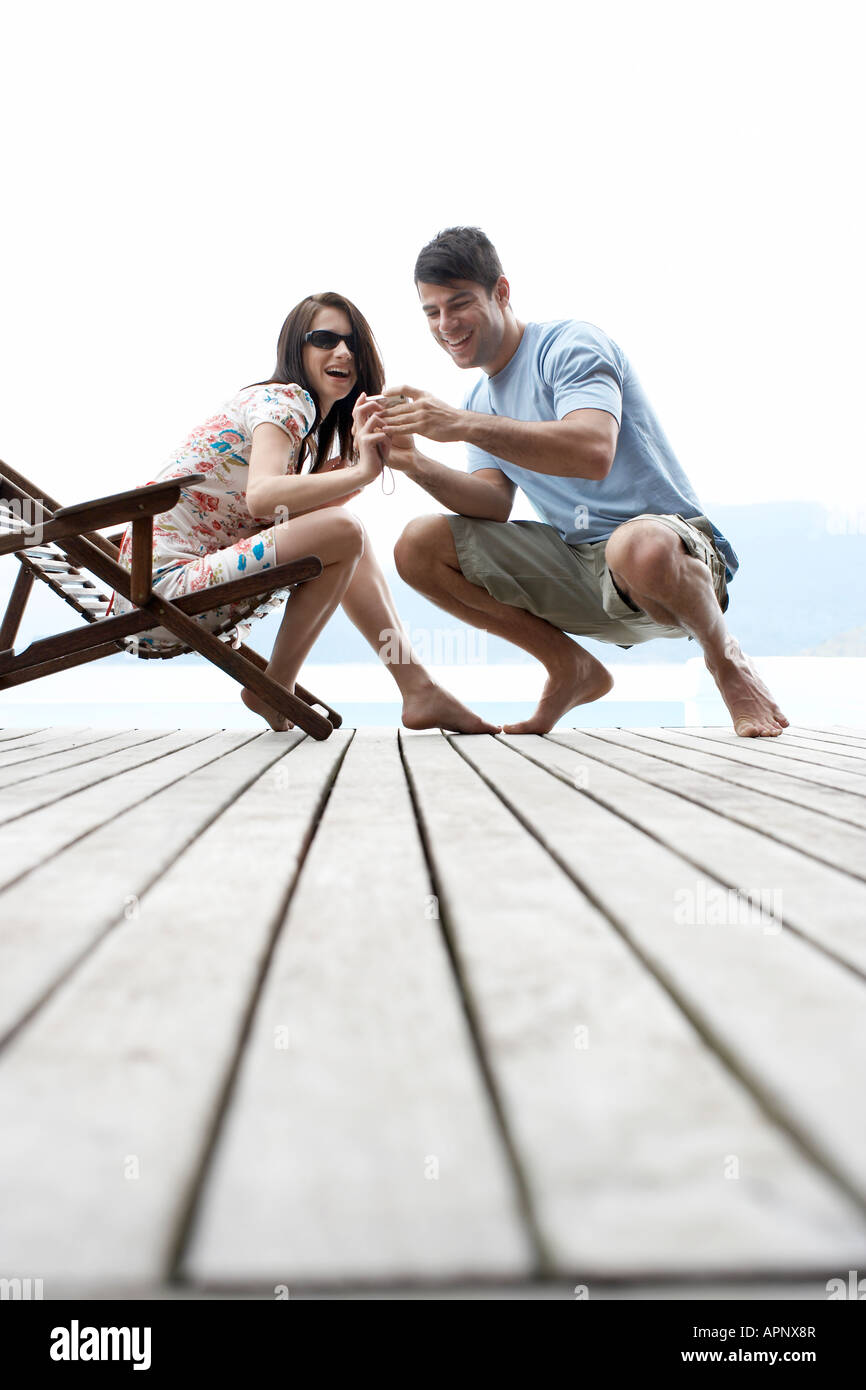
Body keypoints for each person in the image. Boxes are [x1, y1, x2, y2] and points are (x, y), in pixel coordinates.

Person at [377, 227, 788, 738]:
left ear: (501, 292)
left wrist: (458, 424)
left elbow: (593, 451)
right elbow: (490, 504)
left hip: (668, 556)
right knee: (417, 546)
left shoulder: (569, 345)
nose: (445, 324)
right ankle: (570, 667)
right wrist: (415, 463)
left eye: (458, 304)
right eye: (431, 312)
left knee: (636, 545)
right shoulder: (479, 400)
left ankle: (728, 663)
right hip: (583, 569)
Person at [107, 291, 499, 734]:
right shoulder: (286, 400)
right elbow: (261, 497)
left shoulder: (298, 422)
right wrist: (363, 473)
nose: (343, 352)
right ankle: (277, 685)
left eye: (352, 343)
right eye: (324, 338)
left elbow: (262, 516)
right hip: (160, 592)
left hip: (160, 592)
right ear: (298, 349)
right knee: (345, 531)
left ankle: (417, 689)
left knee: (351, 534)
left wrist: (344, 484)